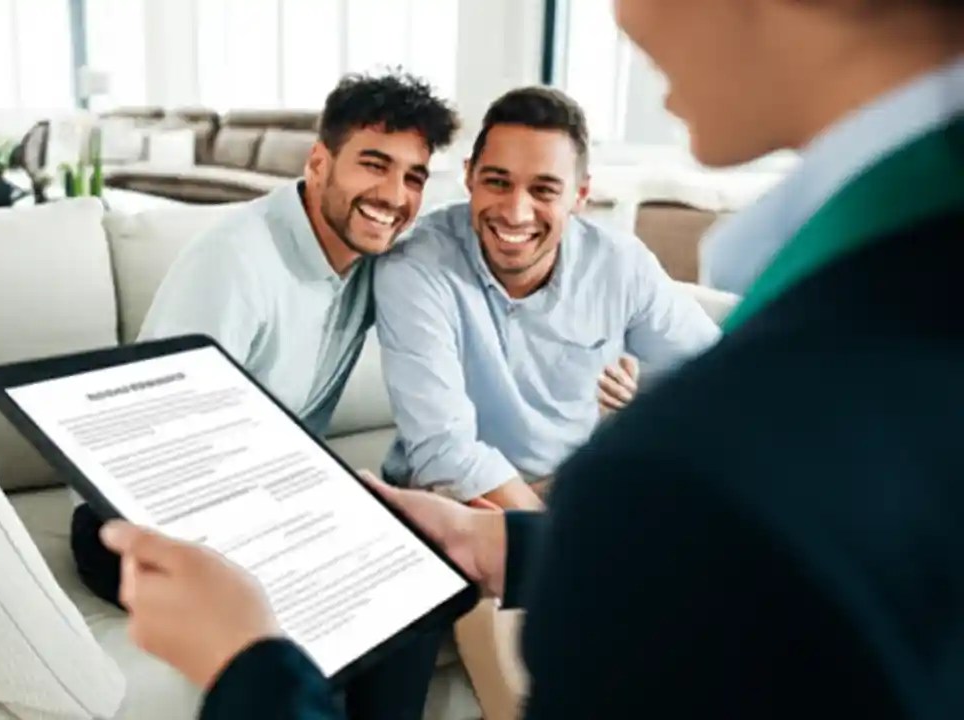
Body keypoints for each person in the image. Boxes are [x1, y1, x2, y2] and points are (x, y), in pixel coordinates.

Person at [99, 0, 964, 718]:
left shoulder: (683, 462)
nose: (626, 18)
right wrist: (517, 543)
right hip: (283, 495)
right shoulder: (383, 263)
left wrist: (249, 667)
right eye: (494, 182)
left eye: (411, 174)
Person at [69, 69, 461, 720]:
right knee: (326, 621)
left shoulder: (376, 262)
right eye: (374, 164)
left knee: (416, 584)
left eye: (414, 176)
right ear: (318, 162)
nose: (394, 194)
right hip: (139, 519)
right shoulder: (236, 259)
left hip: (266, 506)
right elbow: (158, 452)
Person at [376, 86, 719, 510]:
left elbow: (721, 374)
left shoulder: (620, 265)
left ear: (579, 195)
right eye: (498, 182)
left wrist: (641, 405)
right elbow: (446, 453)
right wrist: (550, 545)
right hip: (451, 503)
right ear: (469, 176)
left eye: (544, 190)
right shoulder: (416, 268)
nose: (516, 212)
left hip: (569, 491)